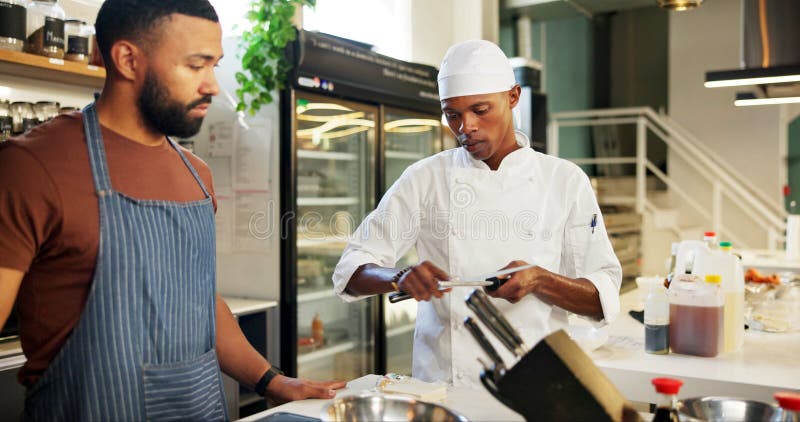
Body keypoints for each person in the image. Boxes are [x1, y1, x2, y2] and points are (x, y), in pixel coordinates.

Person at [0, 1, 344, 419]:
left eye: (214, 65)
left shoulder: (197, 174)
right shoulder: (32, 166)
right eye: (196, 65)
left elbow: (199, 300)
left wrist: (272, 380)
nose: (213, 85)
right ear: (128, 59)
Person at [332, 40, 622, 387]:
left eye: (480, 110)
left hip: (537, 387)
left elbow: (600, 297)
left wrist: (540, 280)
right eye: (452, 114)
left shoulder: (564, 181)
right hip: (443, 388)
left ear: (513, 97)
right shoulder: (426, 178)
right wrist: (399, 276)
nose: (464, 126)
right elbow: (351, 268)